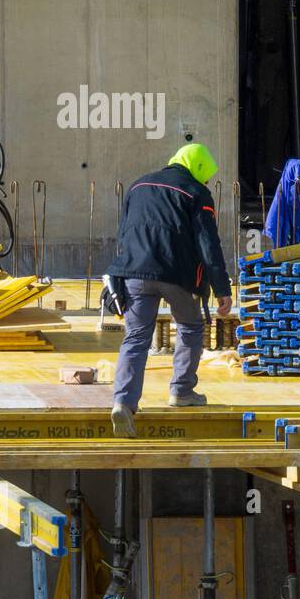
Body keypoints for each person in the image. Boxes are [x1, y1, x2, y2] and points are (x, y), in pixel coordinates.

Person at [106, 143, 232, 438]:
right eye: (206, 175)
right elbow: (208, 246)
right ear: (198, 167)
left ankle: (123, 402)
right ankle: (181, 391)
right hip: (177, 276)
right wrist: (222, 288)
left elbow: (123, 233)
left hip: (134, 272)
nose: (206, 182)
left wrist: (120, 272)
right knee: (189, 327)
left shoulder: (139, 185)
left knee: (136, 337)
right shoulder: (197, 194)